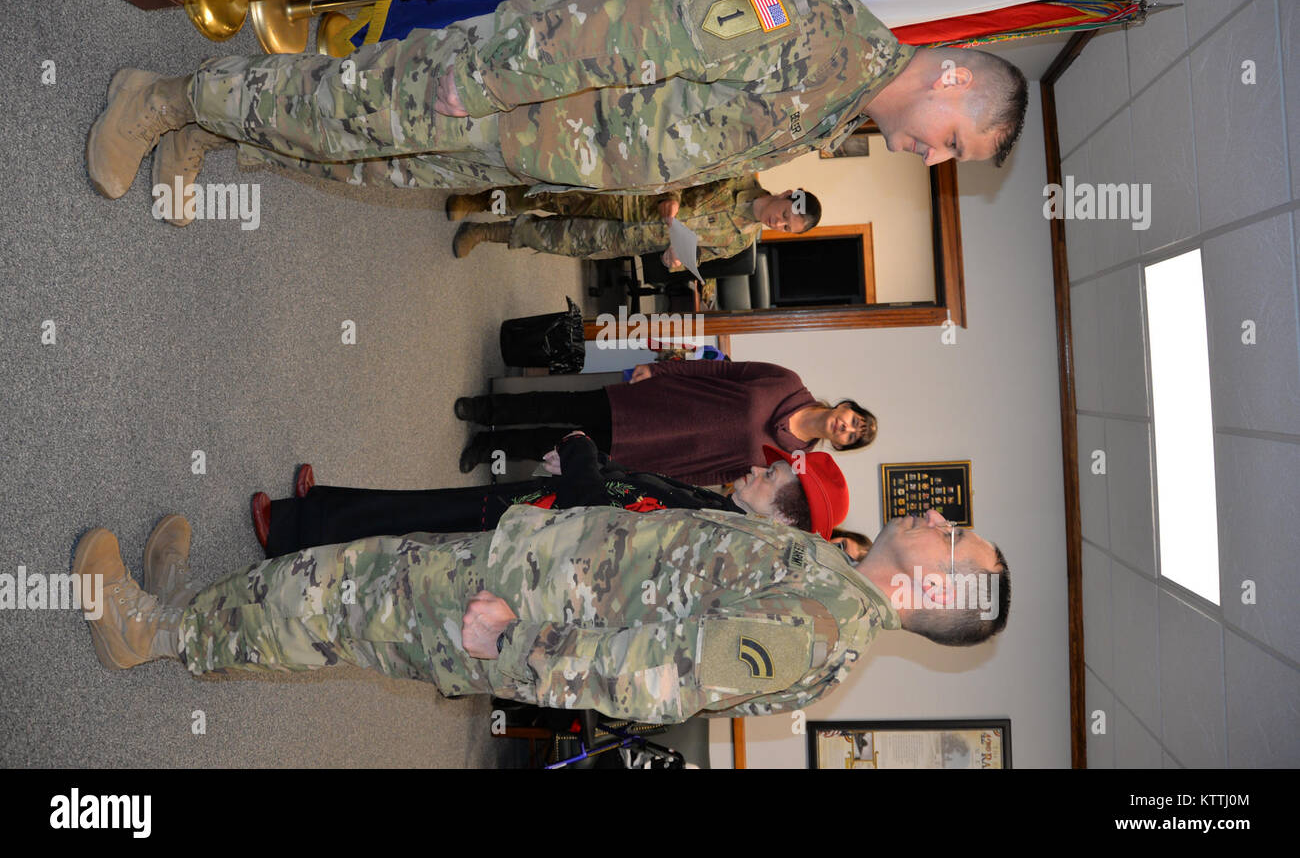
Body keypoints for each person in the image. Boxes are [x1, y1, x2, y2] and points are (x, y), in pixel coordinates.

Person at [85, 0, 1027, 215]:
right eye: (952, 140)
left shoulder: (833, 110)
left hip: (528, 142)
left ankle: (209, 128)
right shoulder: (815, 22)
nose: (928, 155)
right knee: (338, 115)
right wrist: (484, 81)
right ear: (950, 78)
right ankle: (160, 99)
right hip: (506, 89)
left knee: (362, 166)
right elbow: (630, 23)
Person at [74, 506, 1009, 723]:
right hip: (535, 583)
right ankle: (194, 617)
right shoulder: (830, 591)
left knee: (330, 598)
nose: (936, 516)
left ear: (936, 593)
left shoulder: (818, 623)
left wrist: (512, 640)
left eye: (954, 537)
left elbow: (658, 681)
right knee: (341, 591)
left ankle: (154, 631)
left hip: (518, 613)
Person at [252, 439, 849, 555]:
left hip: (529, 532)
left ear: (778, 515)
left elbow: (601, 517)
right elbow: (633, 490)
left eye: (771, 478)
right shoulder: (720, 508)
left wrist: (581, 449)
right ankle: (321, 506)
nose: (756, 468)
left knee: (413, 524)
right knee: (421, 505)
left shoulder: (713, 527)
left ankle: (292, 530)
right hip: (536, 509)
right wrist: (587, 464)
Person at [456, 358, 876, 485]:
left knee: (560, 444)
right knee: (560, 406)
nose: (847, 427)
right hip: (658, 402)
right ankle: (484, 409)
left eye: (853, 436)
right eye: (855, 420)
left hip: (658, 449)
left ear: (841, 445)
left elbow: (725, 473)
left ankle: (487, 451)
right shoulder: (787, 380)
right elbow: (721, 372)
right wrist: (663, 370)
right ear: (845, 406)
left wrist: (666, 476)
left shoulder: (789, 462)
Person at [447, 176, 820, 264]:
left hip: (628, 239)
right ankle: (477, 201)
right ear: (788, 194)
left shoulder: (739, 241)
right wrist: (672, 198)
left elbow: (694, 259)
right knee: (547, 194)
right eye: (785, 215)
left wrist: (675, 260)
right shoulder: (739, 175)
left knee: (553, 238)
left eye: (787, 228)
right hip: (628, 196)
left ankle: (483, 232)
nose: (779, 224)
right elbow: (685, 170)